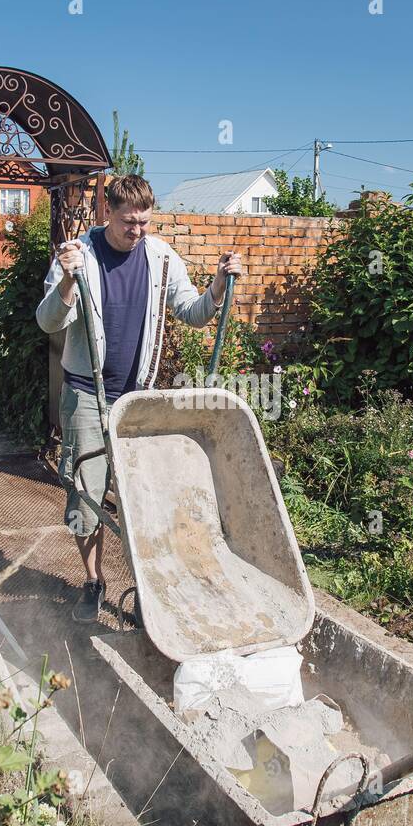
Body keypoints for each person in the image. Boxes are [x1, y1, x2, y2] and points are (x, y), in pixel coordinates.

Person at [36, 174, 244, 621]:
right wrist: (69, 281)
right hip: (86, 394)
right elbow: (48, 322)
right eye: (129, 222)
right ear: (108, 212)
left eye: (145, 222)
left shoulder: (162, 258)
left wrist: (219, 285)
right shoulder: (78, 254)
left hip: (138, 400)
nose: (137, 230)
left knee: (143, 495)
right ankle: (93, 583)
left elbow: (192, 312)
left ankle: (153, 583)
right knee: (87, 497)